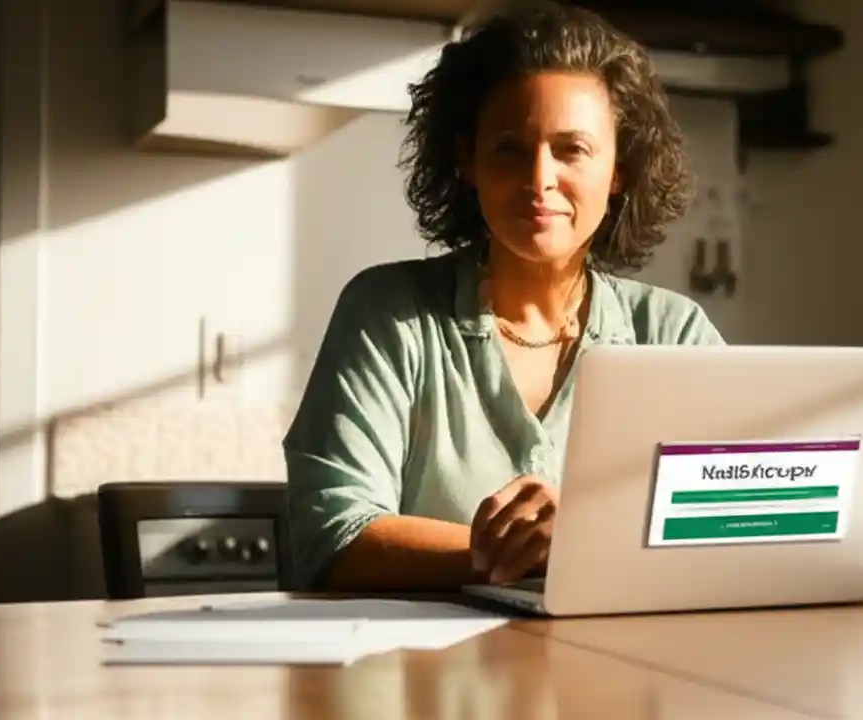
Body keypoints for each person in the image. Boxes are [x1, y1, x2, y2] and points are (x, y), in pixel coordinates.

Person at [282, 0, 723, 593]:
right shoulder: (388, 313)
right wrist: (534, 553)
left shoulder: (675, 335)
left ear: (619, 169)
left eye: (572, 149)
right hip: (425, 680)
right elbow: (332, 536)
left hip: (620, 681)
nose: (539, 179)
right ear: (466, 159)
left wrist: (581, 542)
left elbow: (736, 524)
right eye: (511, 147)